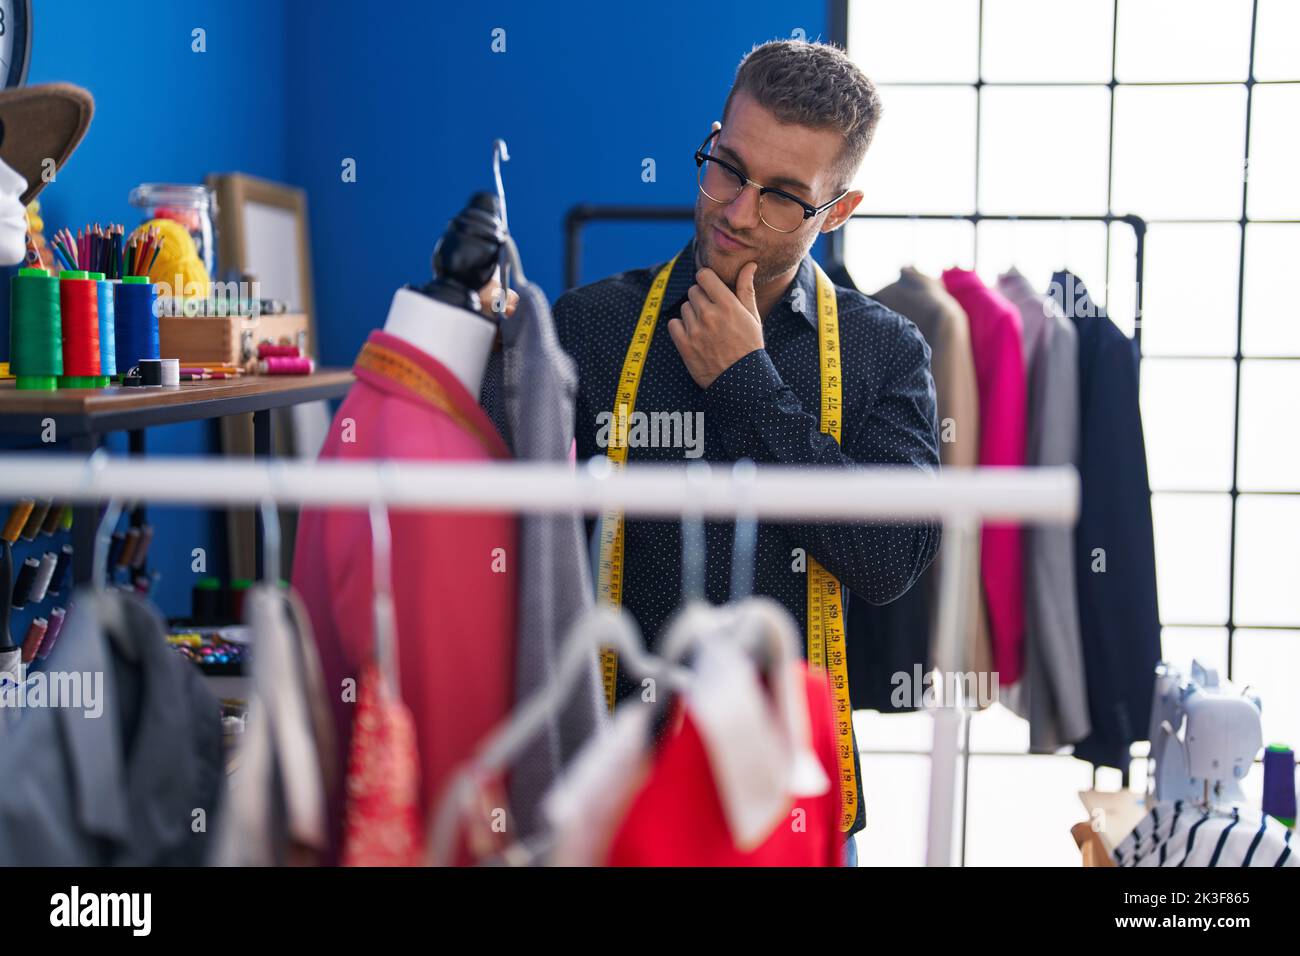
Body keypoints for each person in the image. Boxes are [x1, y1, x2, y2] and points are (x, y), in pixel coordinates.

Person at [553, 40, 942, 851]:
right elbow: (511, 553)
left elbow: (891, 560)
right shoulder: (589, 327)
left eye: (783, 198)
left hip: (796, 801)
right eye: (727, 168)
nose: (735, 211)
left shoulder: (885, 350)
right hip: (614, 790)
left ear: (838, 210)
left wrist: (746, 383)